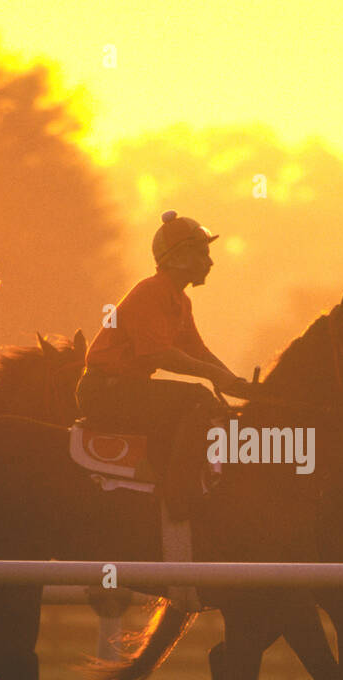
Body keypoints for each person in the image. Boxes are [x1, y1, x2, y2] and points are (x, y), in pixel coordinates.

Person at [77, 210, 253, 517]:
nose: (210, 262)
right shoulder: (151, 292)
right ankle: (177, 495)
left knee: (207, 404)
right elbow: (156, 354)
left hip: (126, 388)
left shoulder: (180, 301)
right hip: (103, 392)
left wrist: (238, 383)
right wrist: (214, 376)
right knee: (198, 399)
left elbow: (198, 352)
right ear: (181, 257)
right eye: (203, 254)